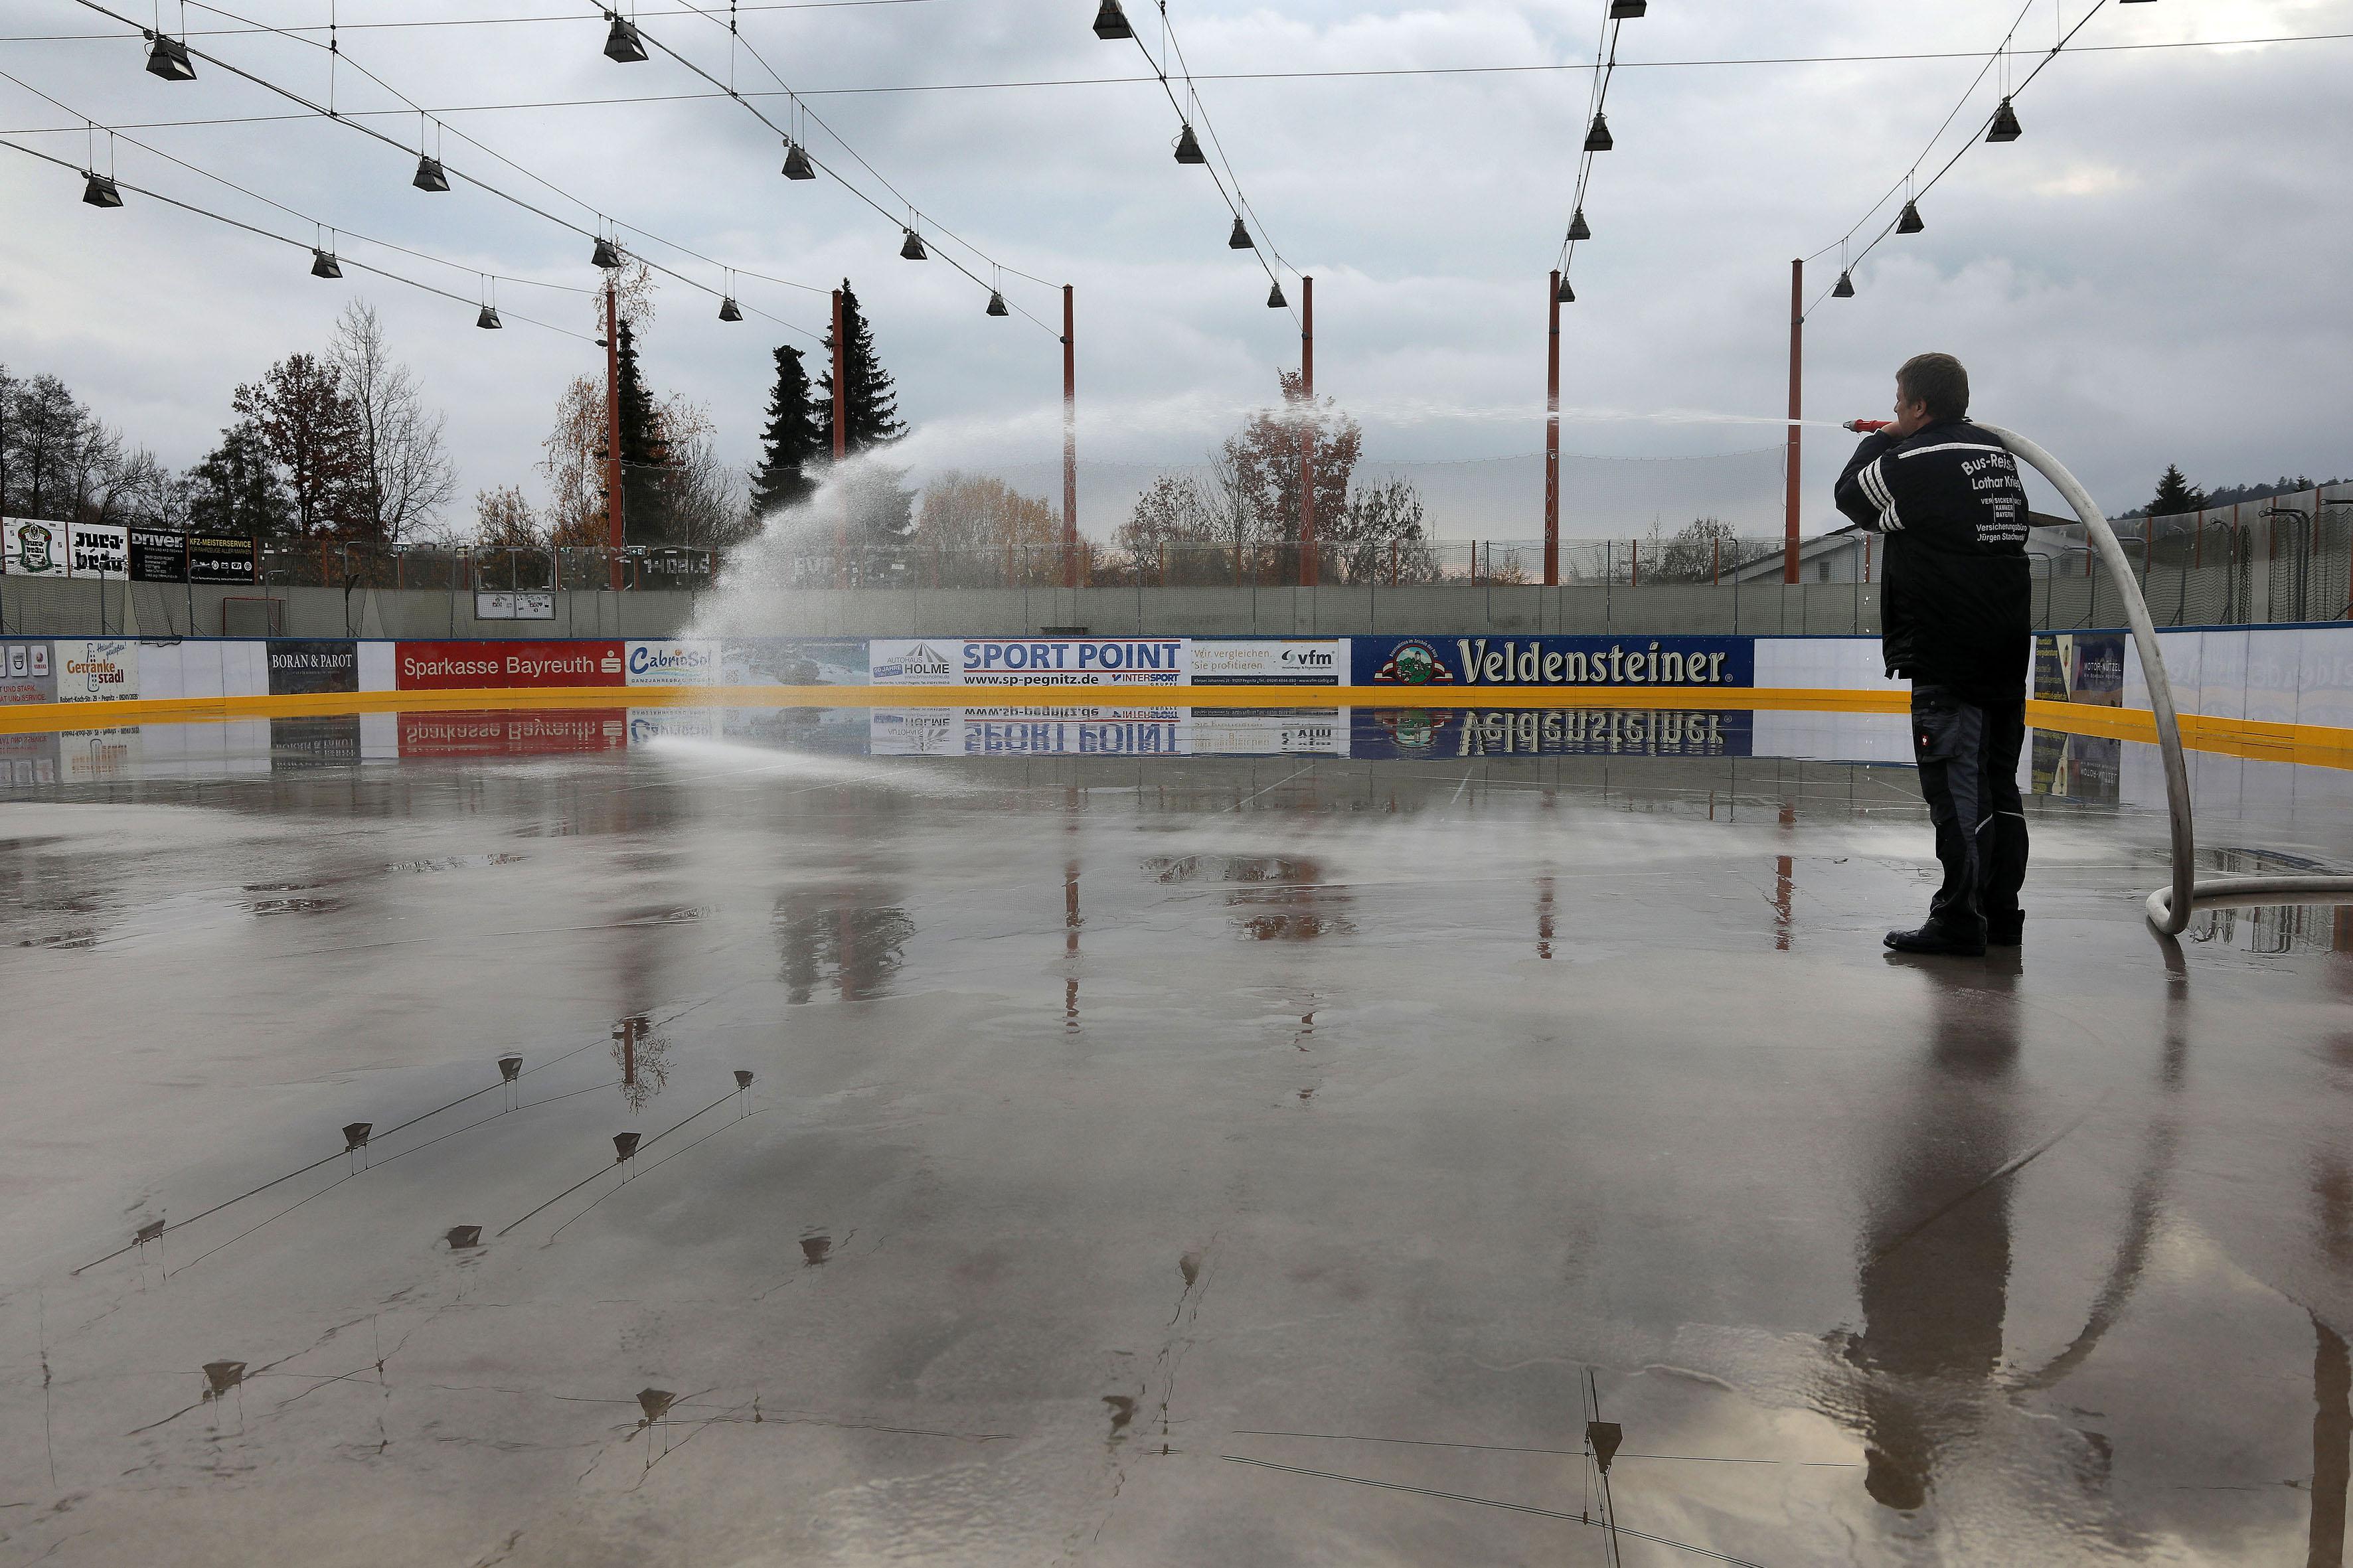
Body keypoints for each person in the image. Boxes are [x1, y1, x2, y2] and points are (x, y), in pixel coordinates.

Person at [1834, 353, 2032, 957]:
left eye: (1900, 401)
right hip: (2003, 646)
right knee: (1998, 784)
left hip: (1949, 648)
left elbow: (1851, 497)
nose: (1893, 409)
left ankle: (1959, 920)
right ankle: (1999, 913)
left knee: (1956, 787)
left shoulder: (1916, 460)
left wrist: (1881, 442)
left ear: (1921, 405)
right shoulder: (1994, 457)